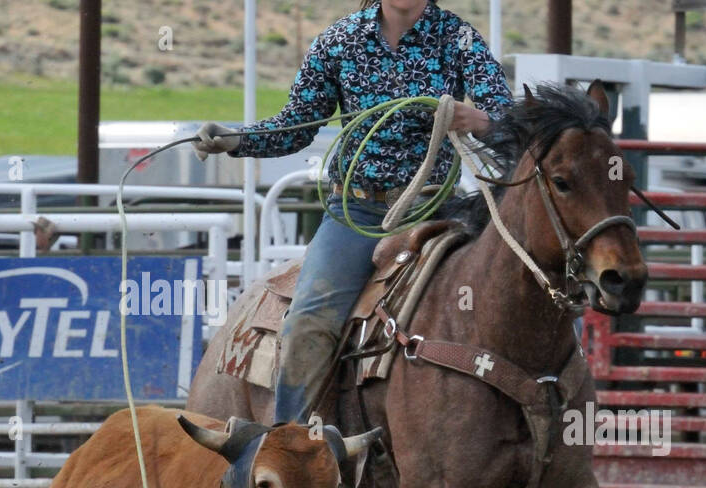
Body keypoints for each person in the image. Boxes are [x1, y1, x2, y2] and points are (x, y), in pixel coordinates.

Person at [194, 0, 512, 423]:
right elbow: (297, 124)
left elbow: (513, 123)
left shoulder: (459, 39)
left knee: (490, 300)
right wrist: (235, 139)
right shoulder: (340, 40)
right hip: (357, 212)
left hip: (434, 210)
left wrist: (480, 121)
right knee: (309, 320)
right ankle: (290, 440)